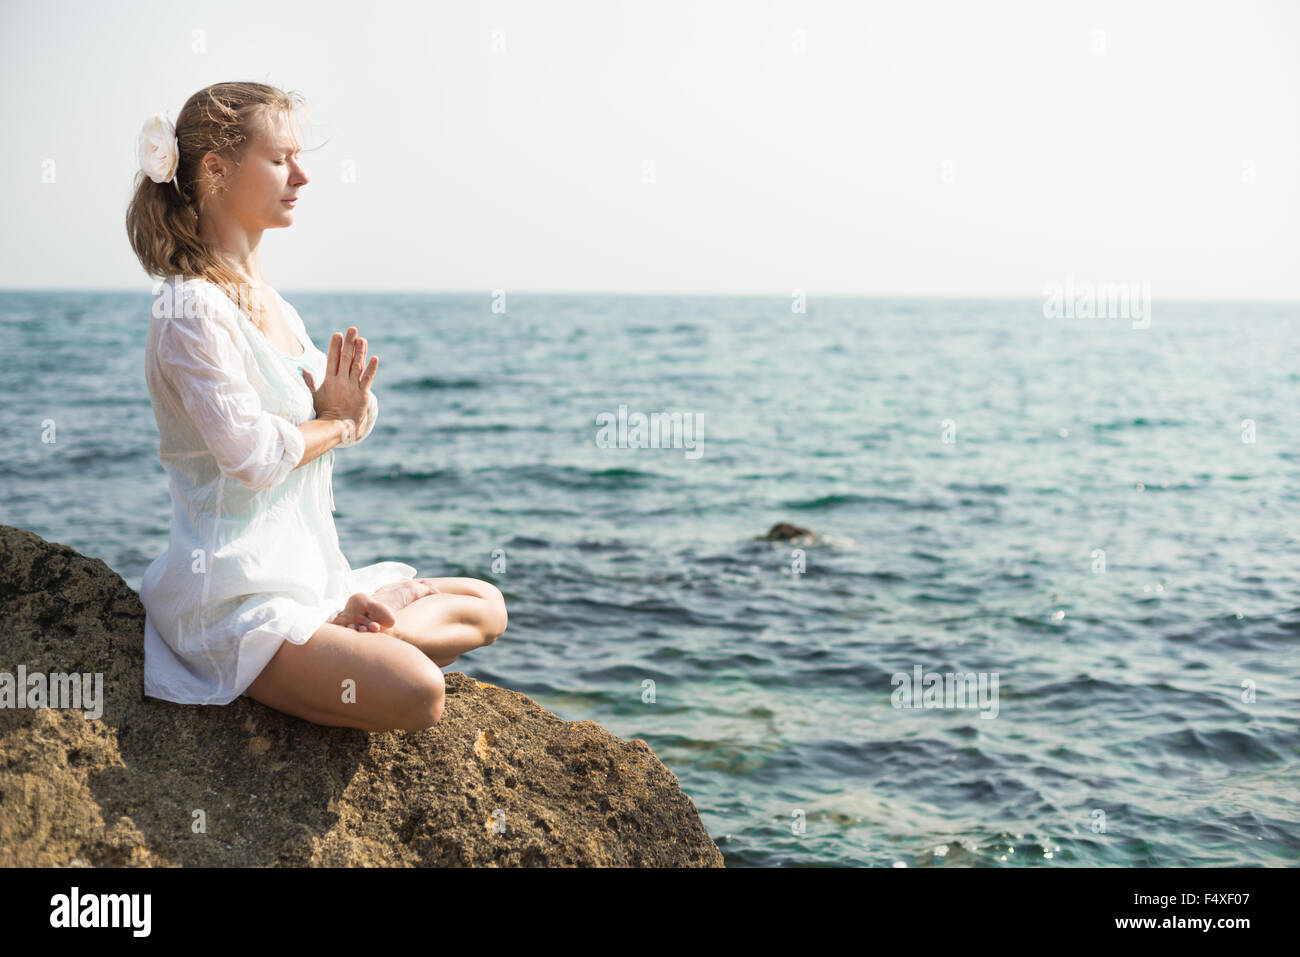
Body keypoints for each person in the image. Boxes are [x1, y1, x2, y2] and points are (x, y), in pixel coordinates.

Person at [125, 82, 506, 731]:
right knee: (419, 692)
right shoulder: (188, 308)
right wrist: (333, 421)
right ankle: (347, 641)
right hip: (234, 601)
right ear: (215, 169)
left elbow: (342, 416)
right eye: (281, 159)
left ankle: (347, 626)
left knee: (487, 604)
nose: (300, 175)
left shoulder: (273, 303)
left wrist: (342, 413)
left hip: (308, 580)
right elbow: (252, 453)